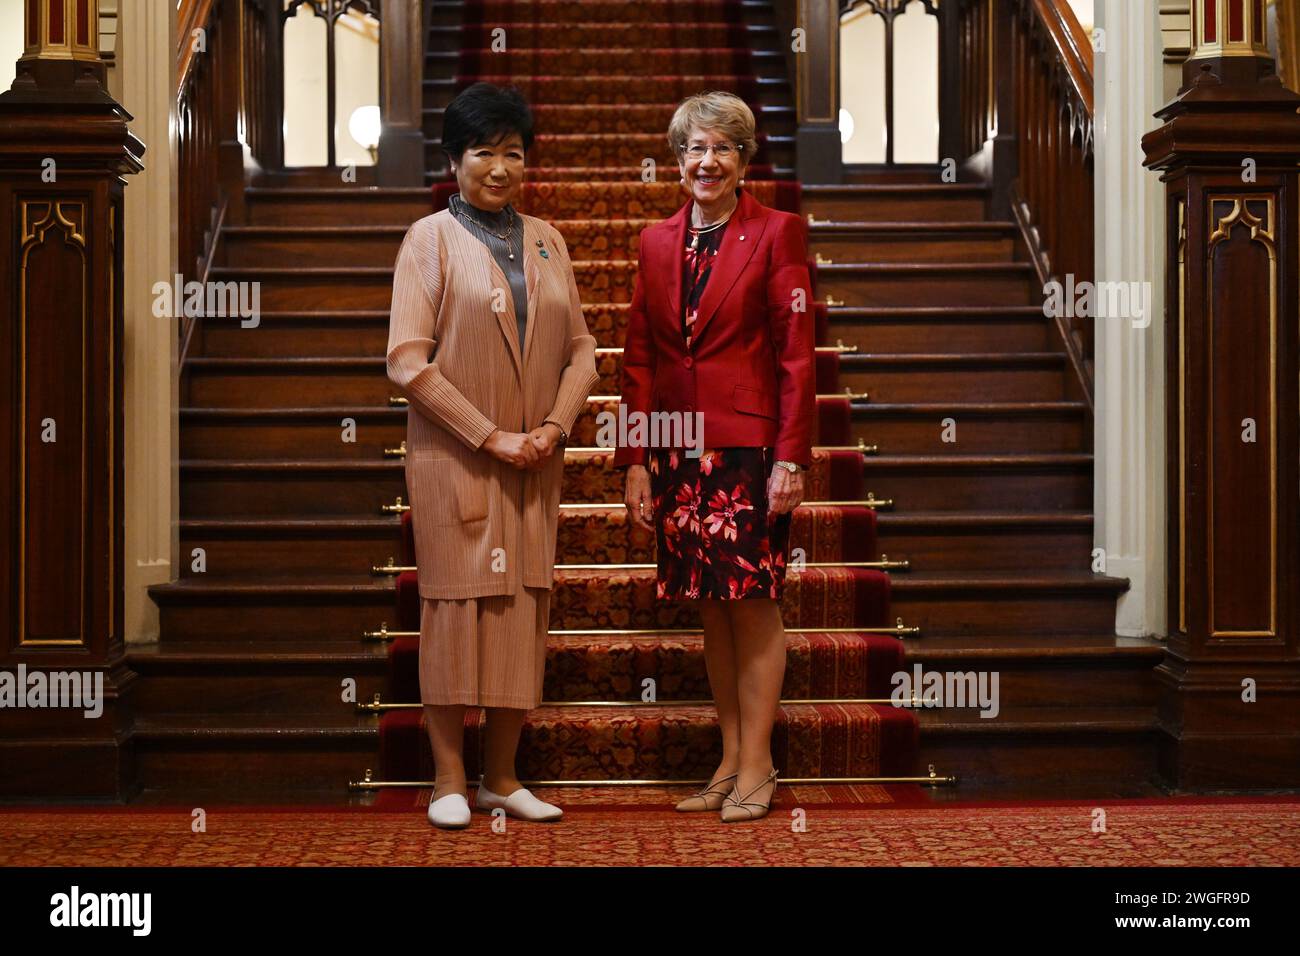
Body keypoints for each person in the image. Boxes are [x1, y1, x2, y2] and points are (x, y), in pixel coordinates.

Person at [386, 82, 600, 829]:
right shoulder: (429, 238)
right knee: (452, 613)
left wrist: (553, 425)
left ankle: (502, 778)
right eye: (484, 151)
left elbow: (583, 349)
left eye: (513, 152)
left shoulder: (547, 238)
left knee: (520, 613)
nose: (500, 166)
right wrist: (491, 435)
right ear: (454, 159)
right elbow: (409, 363)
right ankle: (448, 778)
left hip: (536, 461)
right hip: (456, 460)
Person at [613, 91, 816, 822]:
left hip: (748, 454)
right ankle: (729, 760)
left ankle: (759, 764)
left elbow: (797, 355)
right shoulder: (656, 241)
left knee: (754, 607)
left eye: (723, 148)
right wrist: (636, 456)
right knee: (711, 610)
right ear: (677, 161)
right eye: (695, 148)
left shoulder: (777, 233)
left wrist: (791, 458)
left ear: (743, 160)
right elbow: (639, 357)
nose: (708, 161)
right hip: (676, 455)